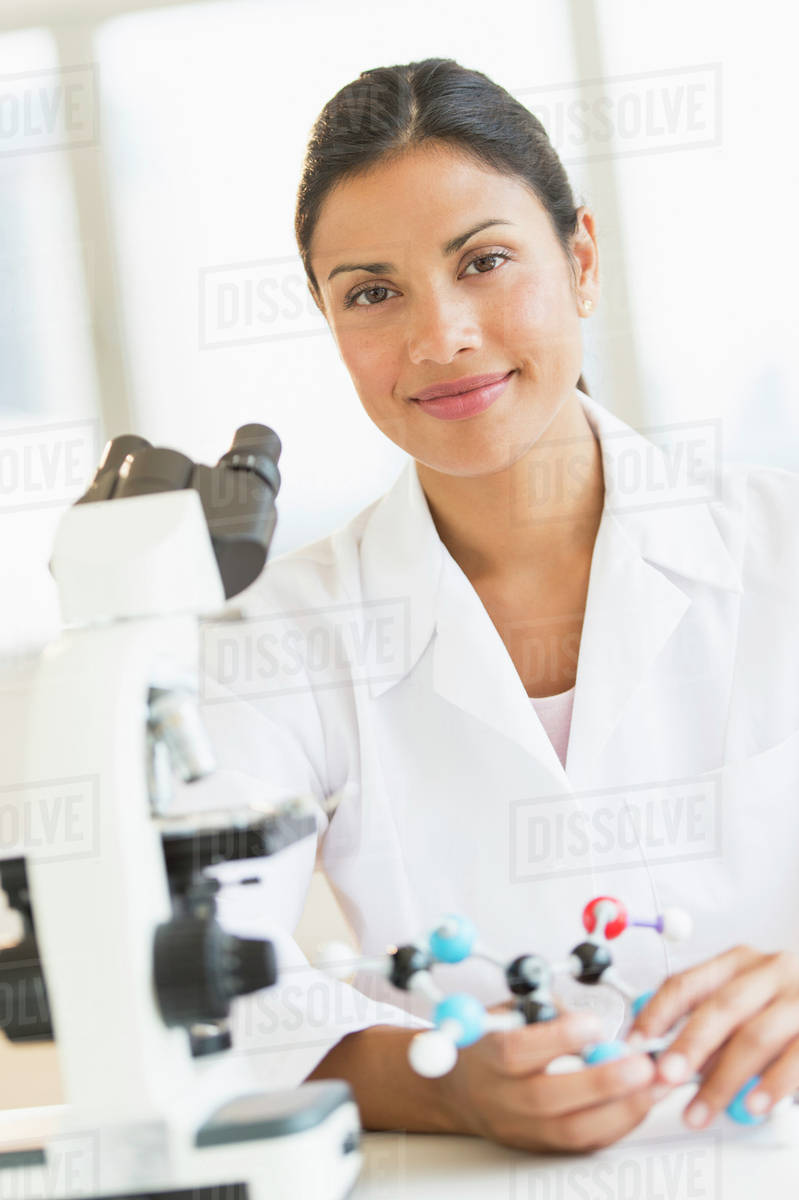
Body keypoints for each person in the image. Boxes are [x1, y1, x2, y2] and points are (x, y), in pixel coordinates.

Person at [188, 58, 799, 1155]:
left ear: (581, 261)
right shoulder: (280, 636)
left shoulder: (778, 547)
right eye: (372, 293)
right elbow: (208, 984)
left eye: (483, 261)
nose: (441, 336)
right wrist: (443, 1088)